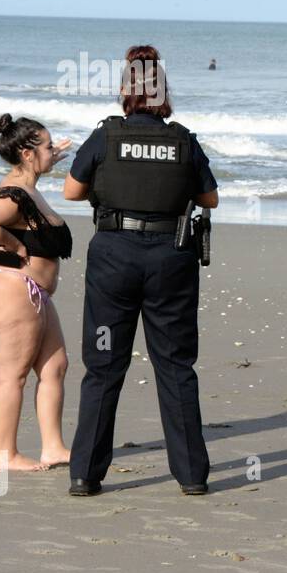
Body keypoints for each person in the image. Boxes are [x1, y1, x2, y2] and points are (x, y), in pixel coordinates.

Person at [62, 45, 220, 497]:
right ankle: (191, 476)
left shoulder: (106, 136)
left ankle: (85, 475)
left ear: (126, 92)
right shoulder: (184, 139)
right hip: (171, 257)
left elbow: (73, 191)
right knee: (175, 365)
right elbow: (210, 199)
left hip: (114, 254)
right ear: (163, 93)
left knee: (103, 366)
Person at [0, 114, 75, 472]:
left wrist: (47, 157)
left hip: (34, 294)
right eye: (48, 145)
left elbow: (32, 172)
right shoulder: (13, 192)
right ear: (27, 155)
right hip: (10, 291)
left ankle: (54, 448)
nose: (54, 149)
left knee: (55, 366)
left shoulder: (28, 183)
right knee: (13, 374)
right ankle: (6, 454)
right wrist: (16, 246)